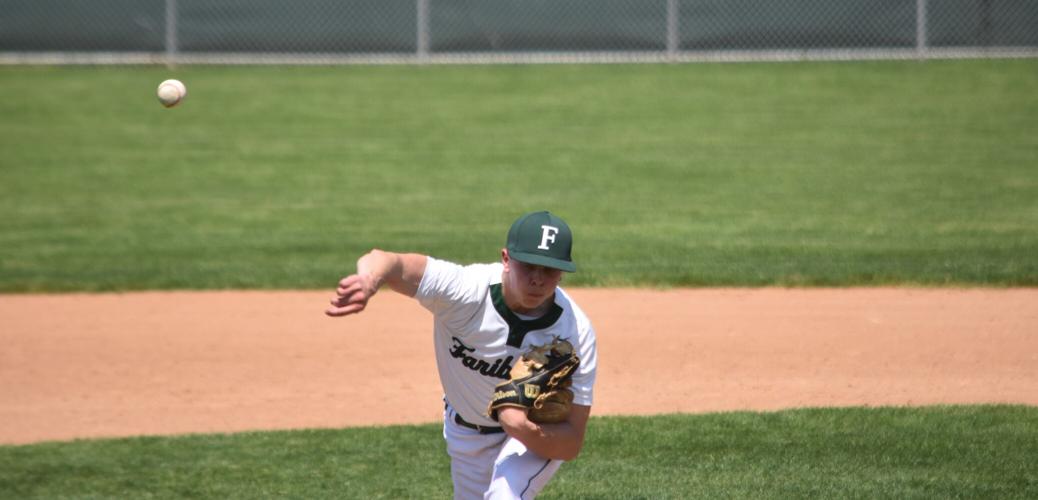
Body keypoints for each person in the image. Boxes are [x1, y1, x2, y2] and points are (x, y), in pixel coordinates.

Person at [326, 211, 598, 499]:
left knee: (504, 495)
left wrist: (521, 426)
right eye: (529, 265)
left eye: (549, 269)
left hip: (533, 435)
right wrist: (369, 280)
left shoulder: (573, 333)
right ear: (506, 259)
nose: (537, 280)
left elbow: (571, 443)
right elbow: (388, 260)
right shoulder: (464, 291)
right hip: (465, 432)